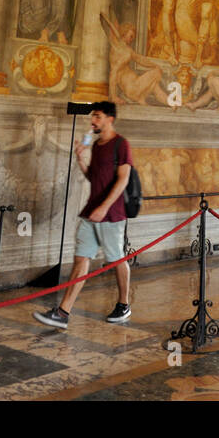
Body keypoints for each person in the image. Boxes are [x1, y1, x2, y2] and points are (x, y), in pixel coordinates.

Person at [35, 102, 133, 329]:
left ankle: (124, 303)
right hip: (91, 211)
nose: (93, 121)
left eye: (97, 116)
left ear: (110, 119)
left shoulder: (121, 144)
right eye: (93, 117)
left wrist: (105, 207)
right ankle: (63, 312)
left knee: (116, 259)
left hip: (112, 213)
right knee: (81, 258)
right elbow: (94, 178)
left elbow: (123, 179)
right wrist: (81, 160)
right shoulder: (98, 145)